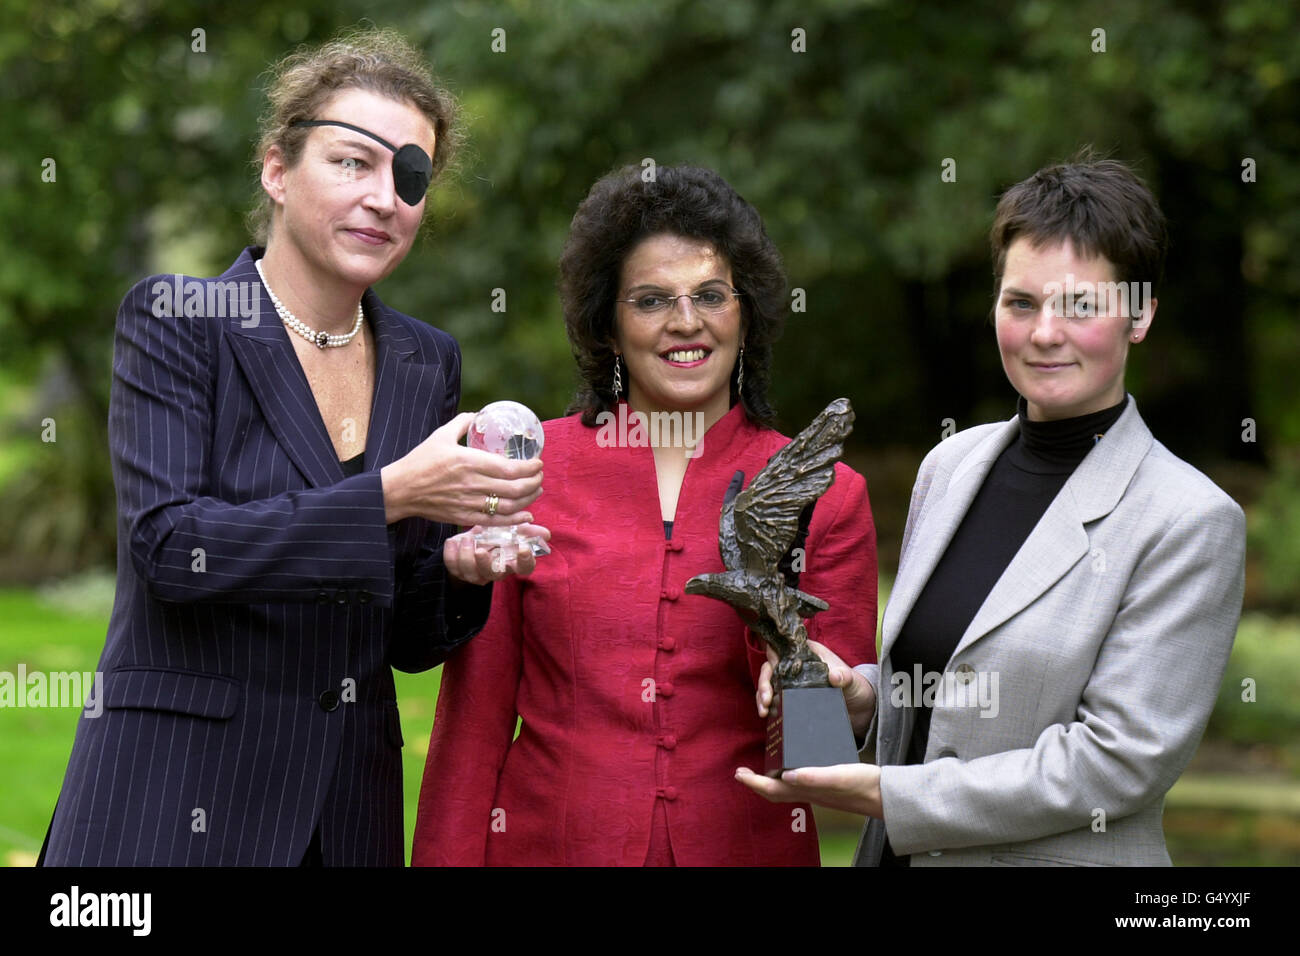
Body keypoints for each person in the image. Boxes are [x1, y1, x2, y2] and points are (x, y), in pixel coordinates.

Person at [40, 29, 547, 867]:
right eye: (353, 161)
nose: (385, 196)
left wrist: (460, 567)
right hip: (171, 808)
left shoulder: (428, 362)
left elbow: (408, 643)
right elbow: (171, 548)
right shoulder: (179, 318)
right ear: (277, 169)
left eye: (410, 174)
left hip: (344, 820)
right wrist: (390, 493)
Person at [737, 152, 1246, 866]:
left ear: (1140, 315)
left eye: (1081, 305)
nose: (1045, 333)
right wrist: (854, 695)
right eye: (1022, 302)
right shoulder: (951, 467)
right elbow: (935, 695)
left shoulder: (1189, 520)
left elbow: (1114, 765)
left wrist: (892, 796)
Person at [412, 164, 878, 866]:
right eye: (651, 299)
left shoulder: (828, 494)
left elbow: (820, 757)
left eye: (711, 296)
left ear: (745, 314)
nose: (685, 322)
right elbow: (472, 729)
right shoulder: (523, 469)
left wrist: (822, 691)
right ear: (609, 326)